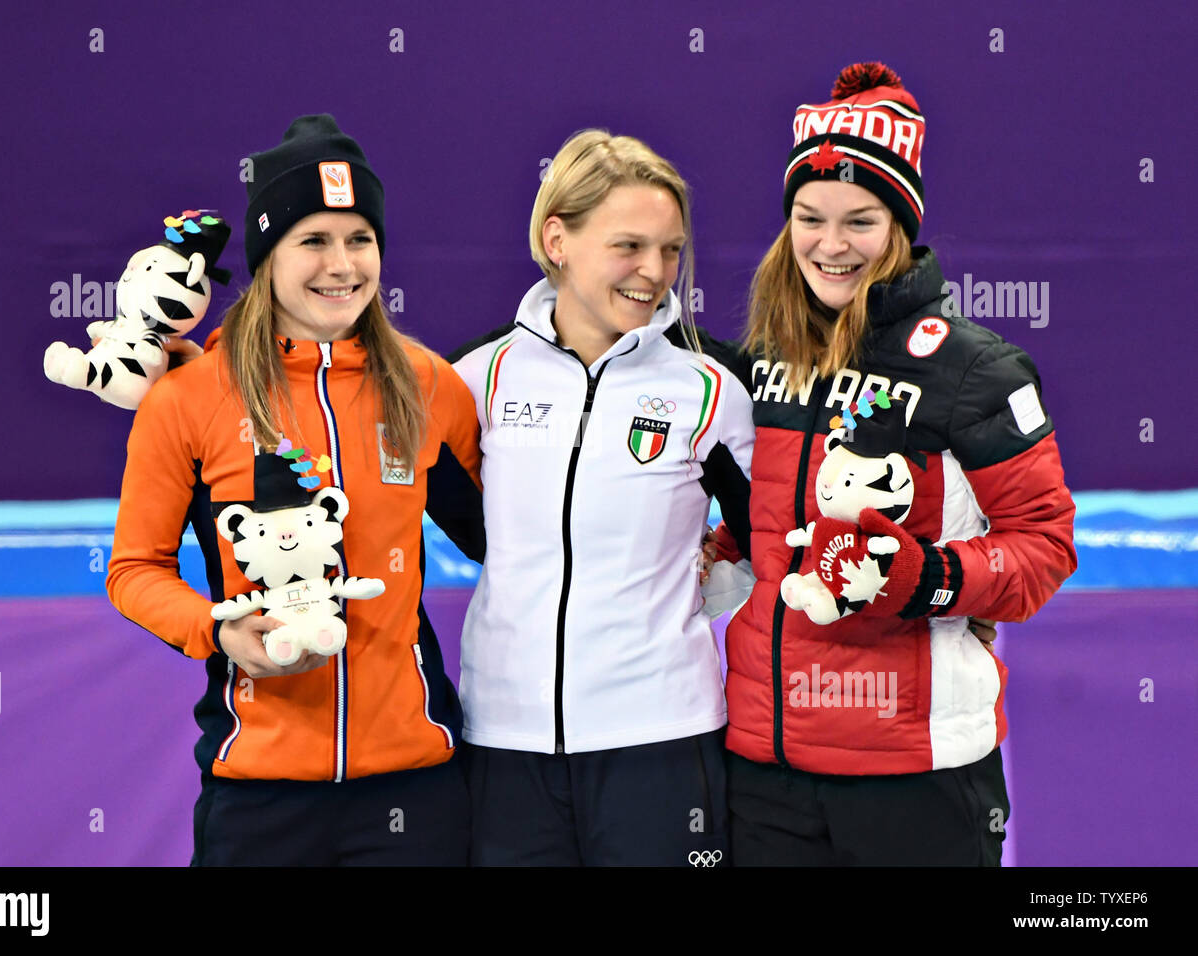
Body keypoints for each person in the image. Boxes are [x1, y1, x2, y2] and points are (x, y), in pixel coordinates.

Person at [713, 62, 1077, 866]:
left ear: (902, 226)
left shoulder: (976, 371)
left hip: (916, 780)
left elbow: (1044, 549)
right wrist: (727, 549)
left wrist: (931, 578)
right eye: (810, 217)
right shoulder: (765, 360)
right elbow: (768, 532)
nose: (831, 245)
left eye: (861, 220)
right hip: (764, 775)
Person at [106, 114, 483, 866]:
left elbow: (502, 539)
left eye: (359, 239)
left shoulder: (427, 385)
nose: (341, 264)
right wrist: (218, 629)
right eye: (313, 240)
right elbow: (133, 572)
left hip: (415, 789)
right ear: (266, 255)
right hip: (260, 795)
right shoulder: (189, 399)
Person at [448, 130, 756, 866]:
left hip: (662, 742)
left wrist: (704, 589)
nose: (655, 272)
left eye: (672, 249)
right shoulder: (480, 379)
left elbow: (773, 540)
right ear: (558, 238)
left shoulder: (709, 388)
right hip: (505, 744)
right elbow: (455, 518)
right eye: (630, 246)